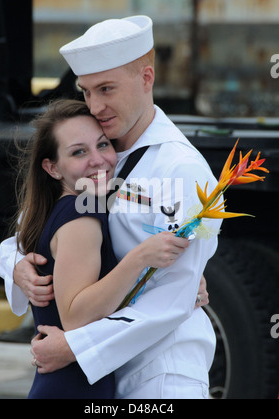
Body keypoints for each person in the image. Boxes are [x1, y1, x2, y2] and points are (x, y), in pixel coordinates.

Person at [0, 16, 222, 399]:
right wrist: (17, 267)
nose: (95, 106)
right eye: (86, 91)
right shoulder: (97, 152)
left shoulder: (182, 169)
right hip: (98, 376)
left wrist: (77, 346)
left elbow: (173, 297)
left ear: (146, 78)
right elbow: (35, 225)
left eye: (107, 89)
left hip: (162, 372)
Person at [11, 98, 188, 399]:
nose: (98, 160)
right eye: (79, 152)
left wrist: (177, 284)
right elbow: (76, 317)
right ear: (52, 168)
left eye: (103, 145)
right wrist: (141, 257)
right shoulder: (81, 216)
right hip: (73, 387)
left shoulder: (71, 208)